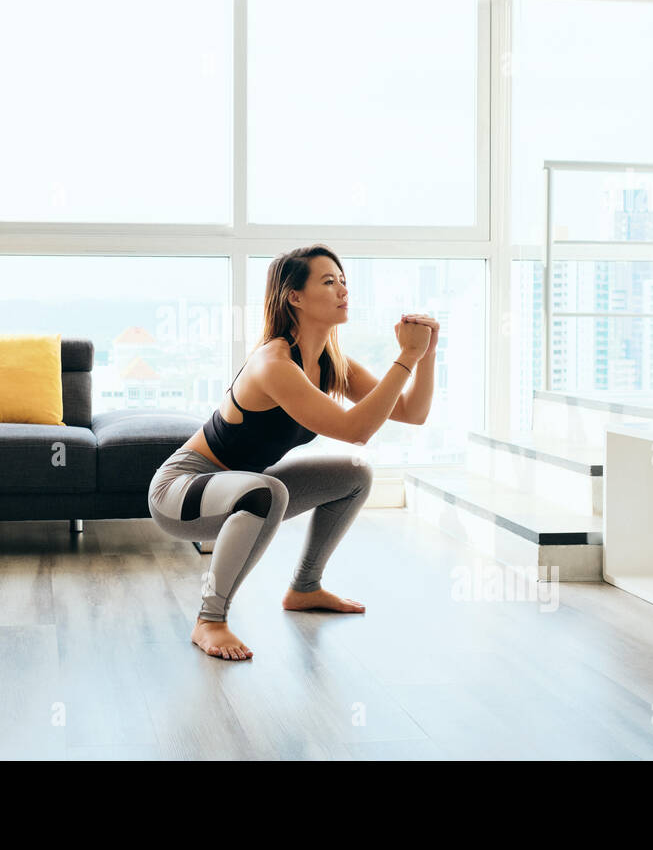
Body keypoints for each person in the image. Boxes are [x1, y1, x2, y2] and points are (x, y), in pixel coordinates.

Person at [147, 244, 438, 660]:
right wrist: (407, 355)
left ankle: (305, 588)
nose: (342, 290)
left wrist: (426, 356)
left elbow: (412, 413)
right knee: (268, 492)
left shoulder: (331, 363)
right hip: (181, 490)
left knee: (354, 475)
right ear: (294, 296)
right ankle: (210, 620)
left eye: (343, 281)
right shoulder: (275, 362)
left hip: (246, 489)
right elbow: (357, 430)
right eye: (328, 281)